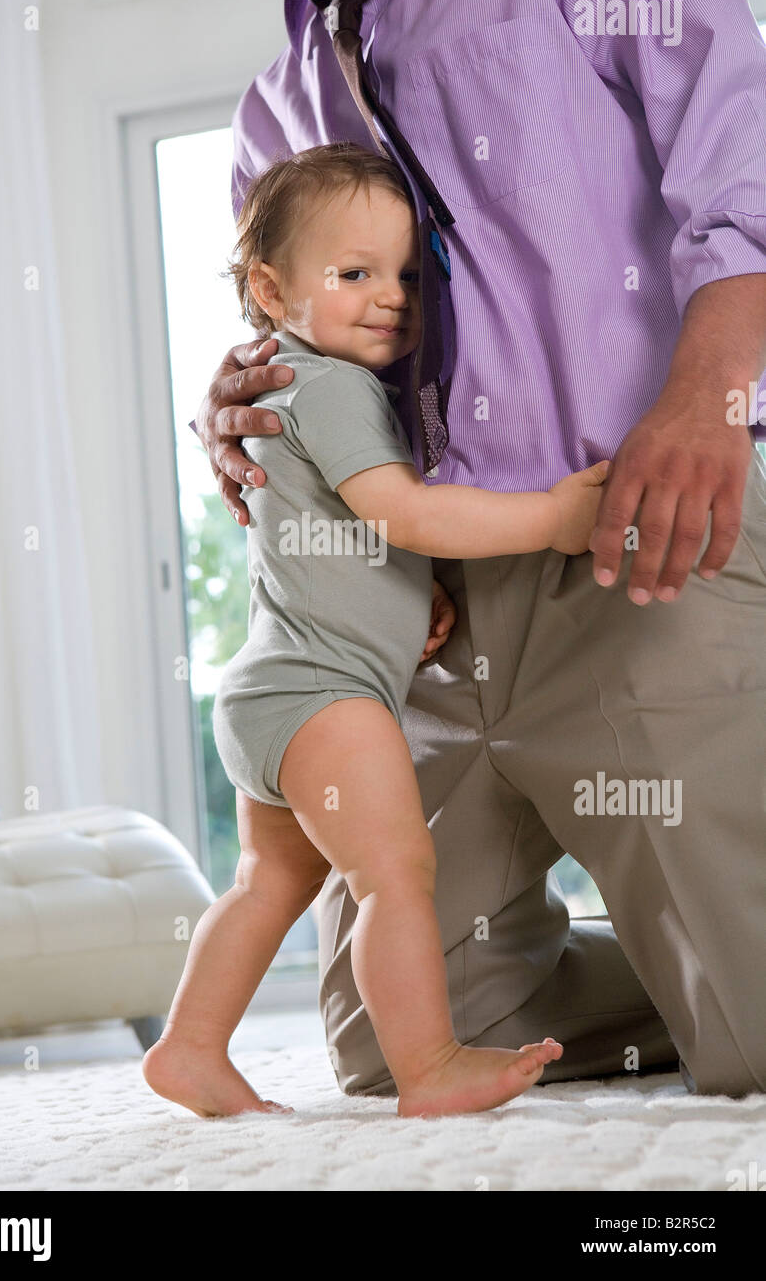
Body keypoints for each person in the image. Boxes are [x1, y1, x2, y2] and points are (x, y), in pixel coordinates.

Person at [193, 0, 766, 1097]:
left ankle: (723, 974)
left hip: (632, 531)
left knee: (754, 1027)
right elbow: (297, 325)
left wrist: (707, 396)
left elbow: (744, 153)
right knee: (402, 1030)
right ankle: (691, 970)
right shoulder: (269, 110)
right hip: (435, 606)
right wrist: (239, 398)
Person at [144, 142, 622, 1116]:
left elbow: (345, 543)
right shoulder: (330, 387)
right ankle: (426, 1066)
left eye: (405, 274)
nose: (390, 296)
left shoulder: (278, 383)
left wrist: (408, 596)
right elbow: (398, 513)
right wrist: (551, 517)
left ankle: (189, 1046)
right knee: (395, 872)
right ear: (270, 291)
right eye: (353, 273)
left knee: (265, 886)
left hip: (269, 691)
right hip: (323, 693)